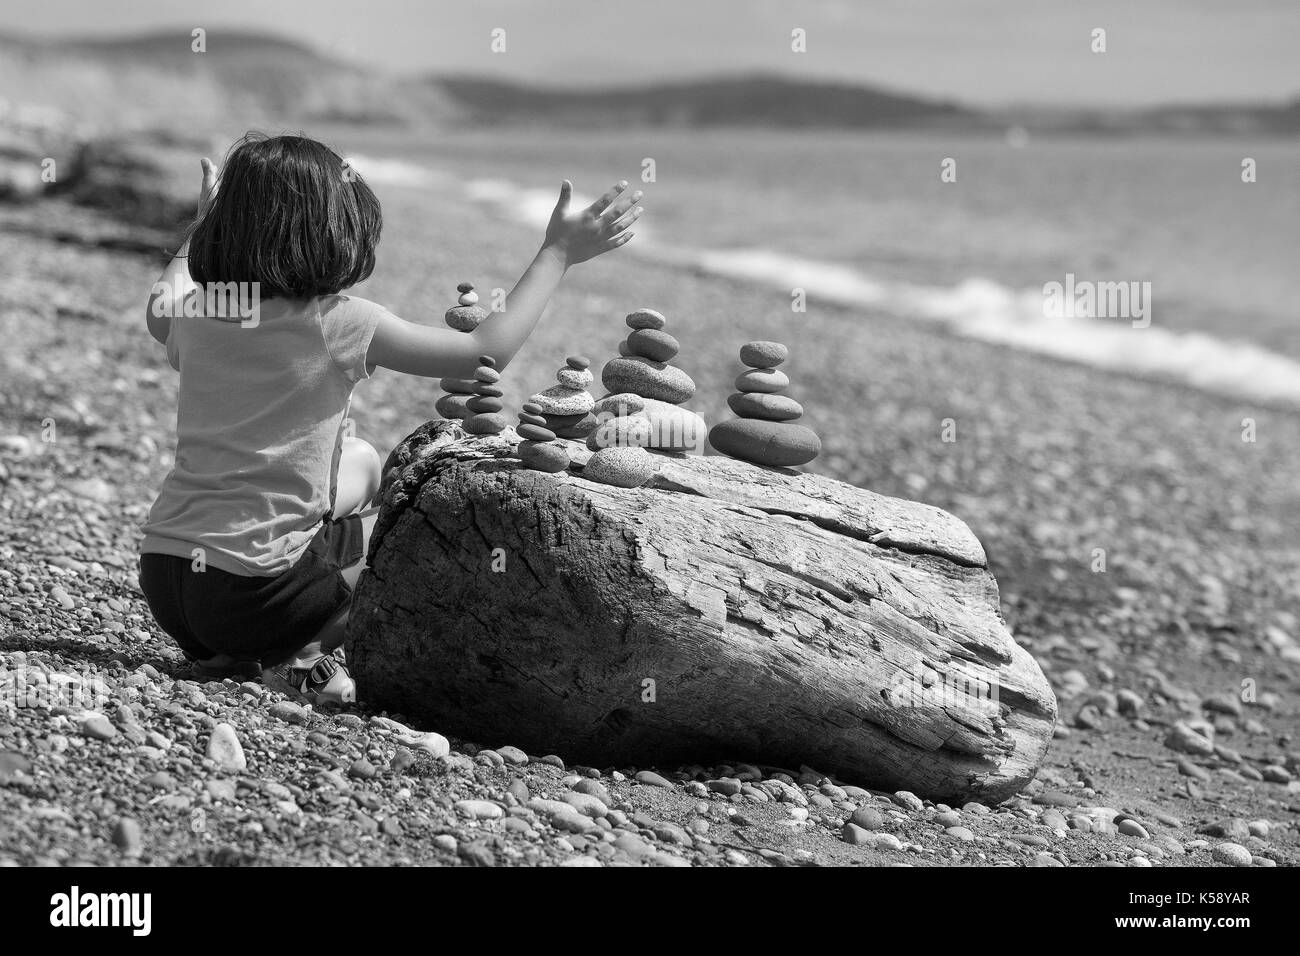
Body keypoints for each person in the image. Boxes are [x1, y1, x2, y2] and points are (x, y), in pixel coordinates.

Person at [138, 132, 643, 703]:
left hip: (167, 581)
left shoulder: (201, 310)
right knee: (429, 536)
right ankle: (299, 652)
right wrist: (558, 253)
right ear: (333, 231)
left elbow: (160, 304)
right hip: (252, 597)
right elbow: (484, 351)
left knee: (362, 463)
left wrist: (200, 227)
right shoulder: (340, 322)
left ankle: (243, 644)